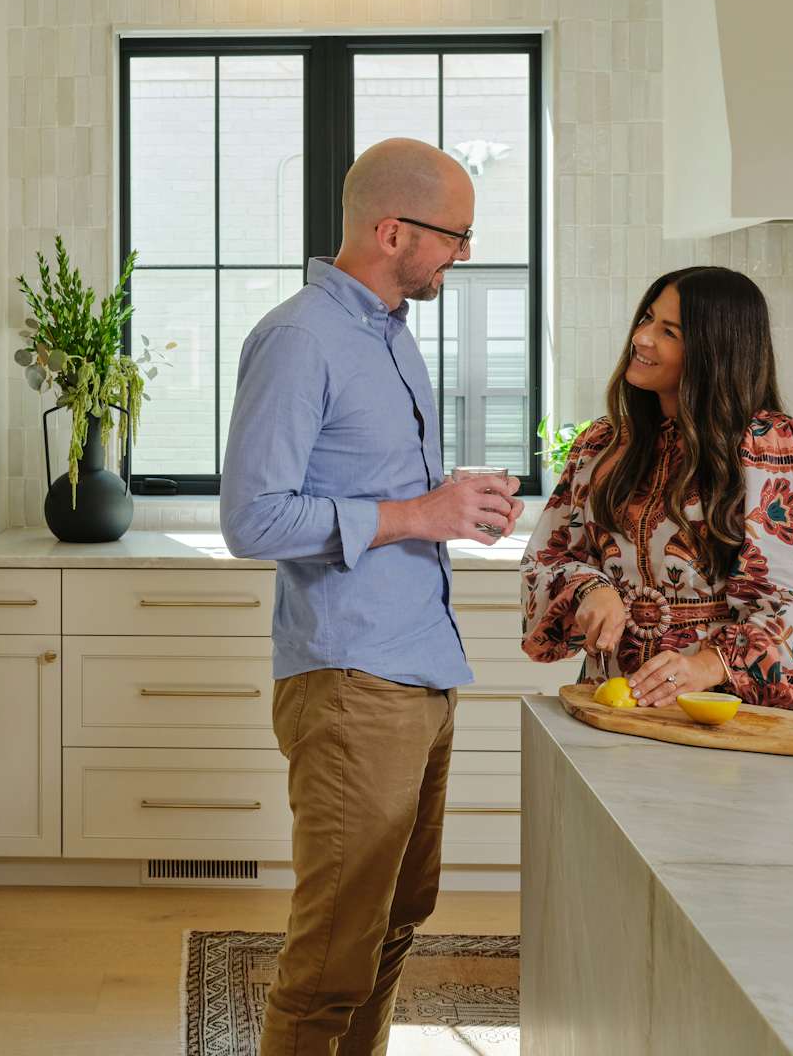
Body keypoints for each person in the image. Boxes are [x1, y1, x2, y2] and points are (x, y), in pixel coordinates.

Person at [222, 136, 526, 1056]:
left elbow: (384, 501)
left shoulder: (387, 335)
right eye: (455, 236)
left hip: (415, 672)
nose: (464, 255)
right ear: (392, 230)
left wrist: (447, 505)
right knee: (332, 950)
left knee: (396, 918)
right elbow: (254, 520)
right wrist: (417, 509)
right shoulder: (298, 336)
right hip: (352, 682)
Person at [522, 266, 793, 709]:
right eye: (646, 319)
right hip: (611, 704)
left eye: (669, 331)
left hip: (725, 712)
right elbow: (550, 556)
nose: (642, 338)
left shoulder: (770, 446)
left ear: (715, 349)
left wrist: (710, 664)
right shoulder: (602, 444)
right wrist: (590, 587)